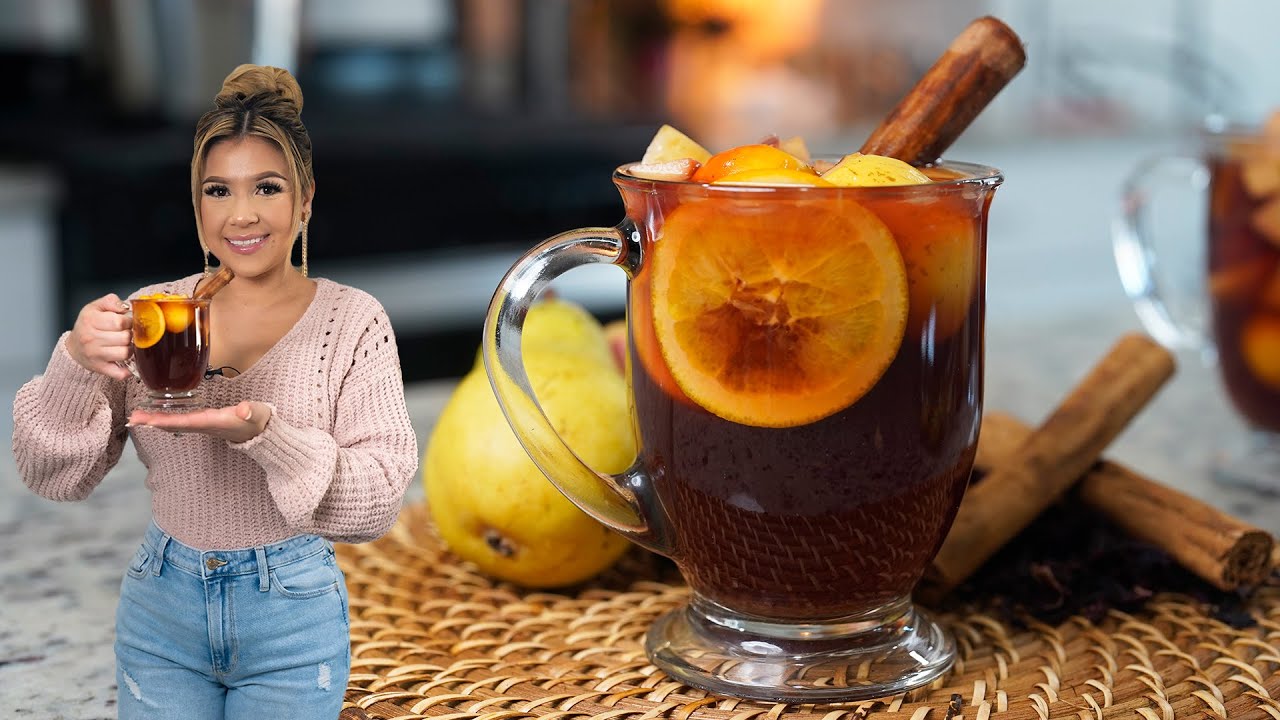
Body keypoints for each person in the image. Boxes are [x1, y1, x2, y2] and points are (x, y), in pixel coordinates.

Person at [12, 64, 418, 718]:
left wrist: (267, 437)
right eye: (218, 191)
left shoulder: (353, 322)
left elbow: (377, 502)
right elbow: (53, 476)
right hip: (161, 607)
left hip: (293, 614)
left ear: (305, 199)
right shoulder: (152, 312)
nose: (243, 214)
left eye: (266, 187)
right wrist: (73, 361)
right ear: (197, 205)